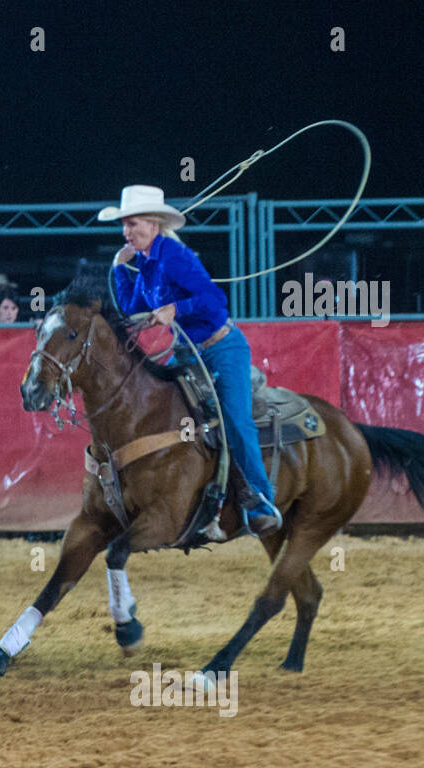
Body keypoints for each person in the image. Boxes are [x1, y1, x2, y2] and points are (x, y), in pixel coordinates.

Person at [98, 184, 283, 535]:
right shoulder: (146, 262)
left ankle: (261, 502)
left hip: (221, 346)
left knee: (235, 420)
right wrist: (120, 269)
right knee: (172, 417)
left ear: (153, 224)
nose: (126, 232)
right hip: (188, 351)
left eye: (133, 224)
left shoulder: (174, 256)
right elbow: (133, 307)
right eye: (124, 225)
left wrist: (175, 308)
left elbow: (214, 298)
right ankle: (198, 501)